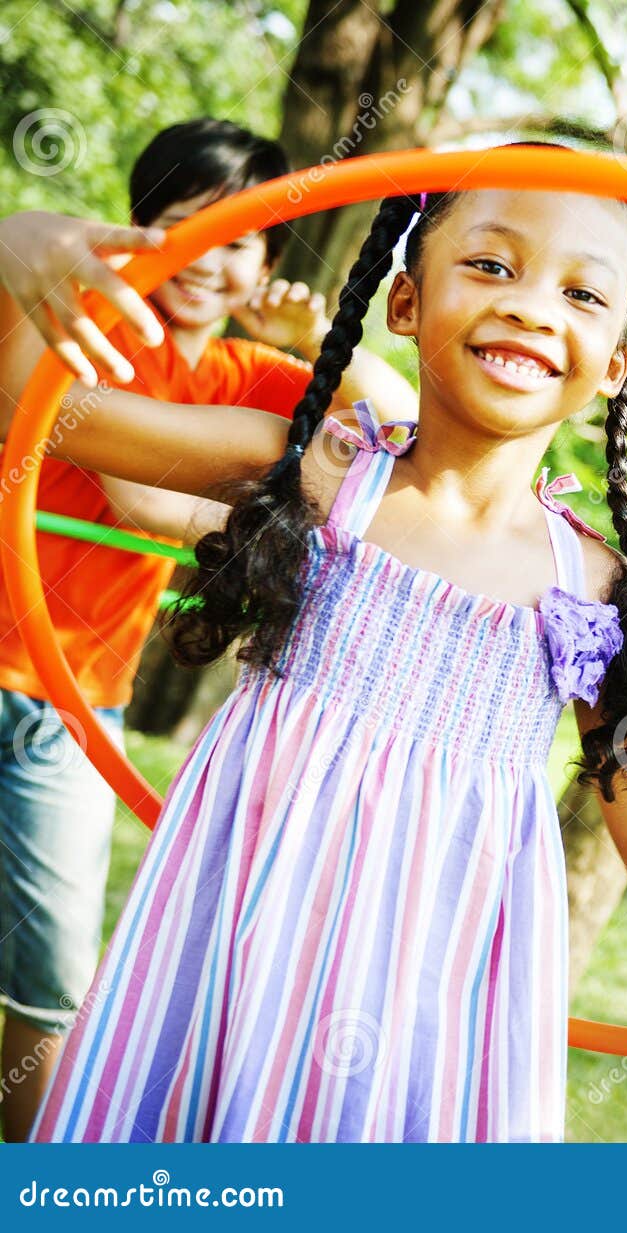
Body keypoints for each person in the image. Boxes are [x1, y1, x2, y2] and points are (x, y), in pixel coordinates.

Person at [12, 164, 627, 1142]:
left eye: (582, 293)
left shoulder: (594, 597)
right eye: (491, 265)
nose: (532, 307)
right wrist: (13, 249)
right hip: (227, 966)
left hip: (418, 1025)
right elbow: (34, 415)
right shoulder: (312, 475)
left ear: (616, 361)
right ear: (405, 302)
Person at [0, 118, 415, 1142]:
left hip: (70, 704)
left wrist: (318, 347)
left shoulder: (246, 377)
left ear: (265, 265)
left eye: (240, 238)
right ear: (139, 230)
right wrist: (25, 232)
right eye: (188, 225)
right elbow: (126, 488)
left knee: (51, 987)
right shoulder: (74, 318)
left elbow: (401, 425)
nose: (208, 257)